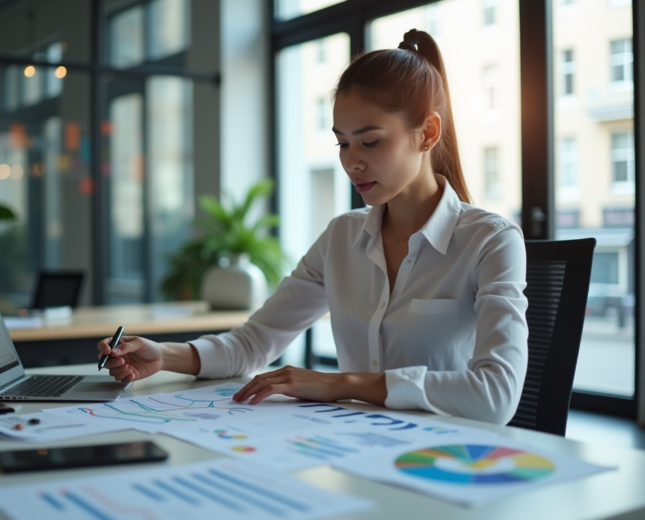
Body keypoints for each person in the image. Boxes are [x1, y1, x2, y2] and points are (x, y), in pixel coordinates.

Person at [98, 29, 528, 426]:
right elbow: (254, 343)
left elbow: (496, 395)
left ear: (428, 132)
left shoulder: (490, 241)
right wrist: (165, 355)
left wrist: (336, 383)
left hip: (449, 463)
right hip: (358, 446)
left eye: (371, 141)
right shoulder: (342, 237)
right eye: (342, 142)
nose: (351, 161)